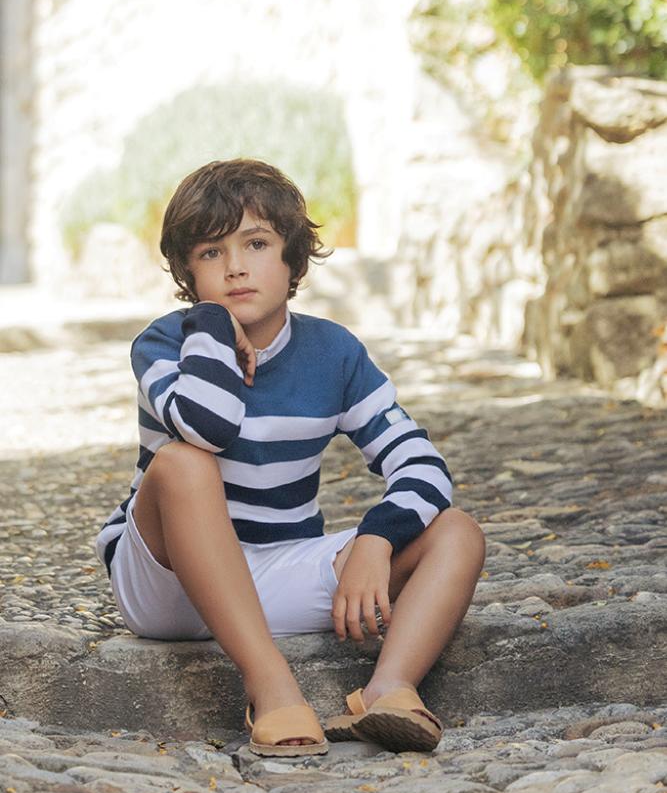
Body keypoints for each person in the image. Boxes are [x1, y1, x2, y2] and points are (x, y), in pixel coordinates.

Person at [96, 159, 486, 757]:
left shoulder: (333, 353)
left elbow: (421, 463)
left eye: (256, 244)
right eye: (210, 252)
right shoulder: (165, 343)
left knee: (457, 532)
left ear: (293, 259)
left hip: (277, 570)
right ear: (186, 271)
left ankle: (388, 689)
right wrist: (211, 324)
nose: (235, 267)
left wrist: (377, 541)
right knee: (183, 462)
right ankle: (271, 687)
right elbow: (207, 426)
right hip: (167, 584)